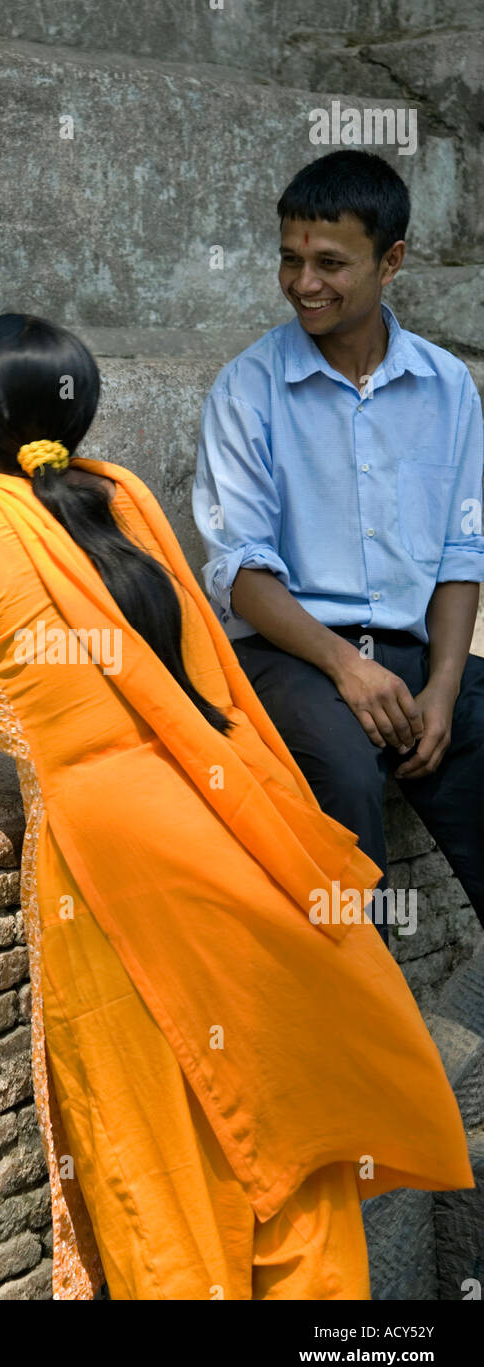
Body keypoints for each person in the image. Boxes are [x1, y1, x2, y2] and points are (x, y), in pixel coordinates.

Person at [0, 312, 473, 1301]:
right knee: (268, 1128)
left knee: (158, 1136)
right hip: (223, 831)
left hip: (114, 867)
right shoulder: (116, 503)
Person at [193, 150, 484, 945]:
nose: (302, 283)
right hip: (285, 654)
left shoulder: (446, 386)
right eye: (289, 260)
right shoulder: (246, 389)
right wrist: (344, 666)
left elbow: (461, 556)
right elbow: (240, 574)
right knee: (346, 776)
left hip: (409, 649)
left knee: (470, 726)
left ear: (390, 261)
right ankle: (367, 1018)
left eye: (329, 263)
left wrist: (445, 688)